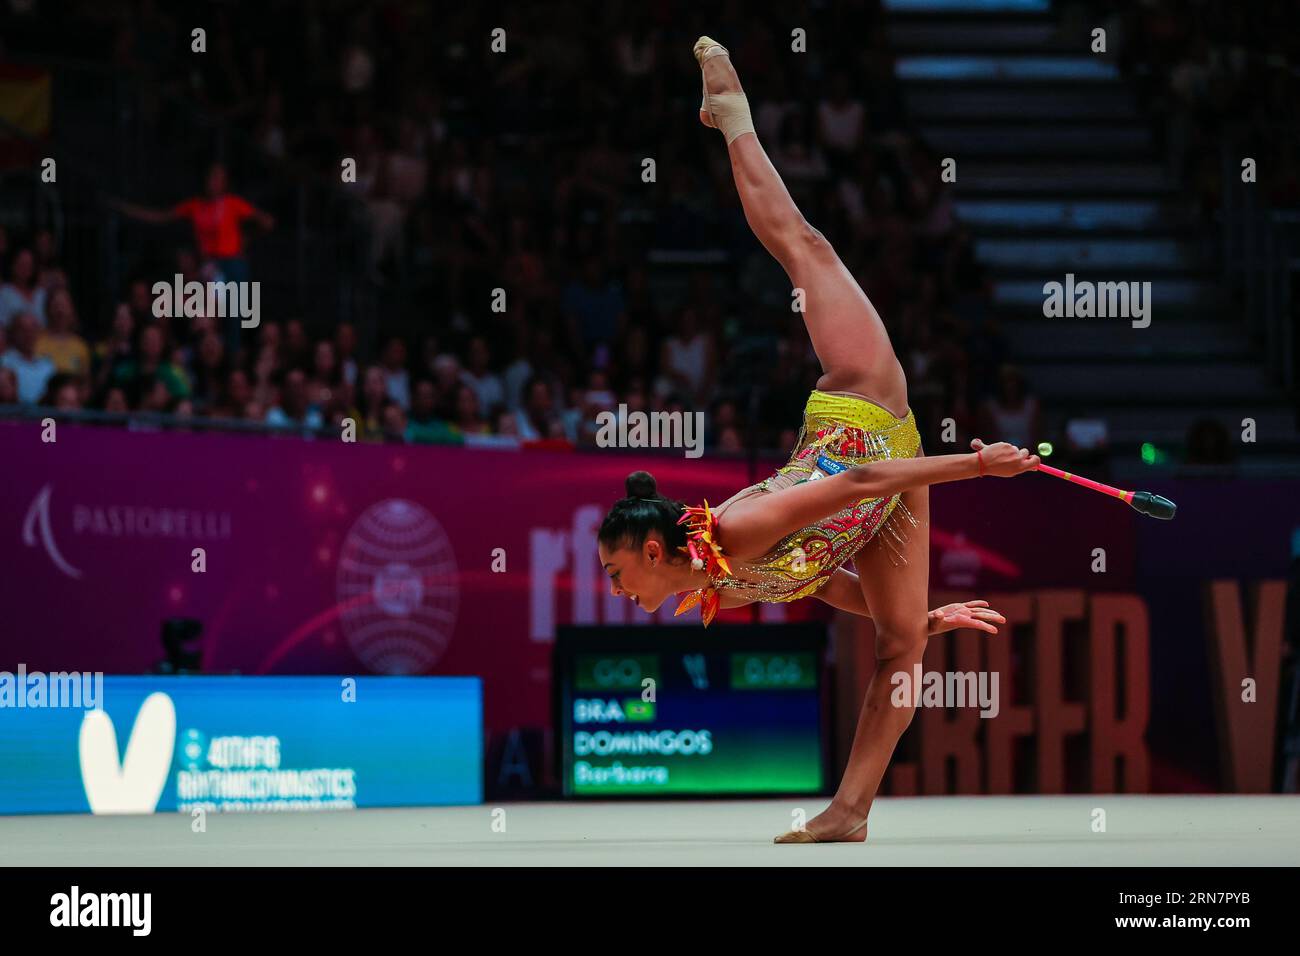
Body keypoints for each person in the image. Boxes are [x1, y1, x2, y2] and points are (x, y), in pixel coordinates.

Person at [596, 38, 1040, 845]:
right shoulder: (718, 587)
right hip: (885, 493)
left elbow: (853, 486)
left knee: (807, 248)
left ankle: (732, 121)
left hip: (863, 403)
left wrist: (978, 464)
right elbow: (819, 583)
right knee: (902, 643)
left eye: (617, 568)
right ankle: (851, 813)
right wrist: (924, 616)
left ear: (656, 548)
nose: (614, 586)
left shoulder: (732, 530)